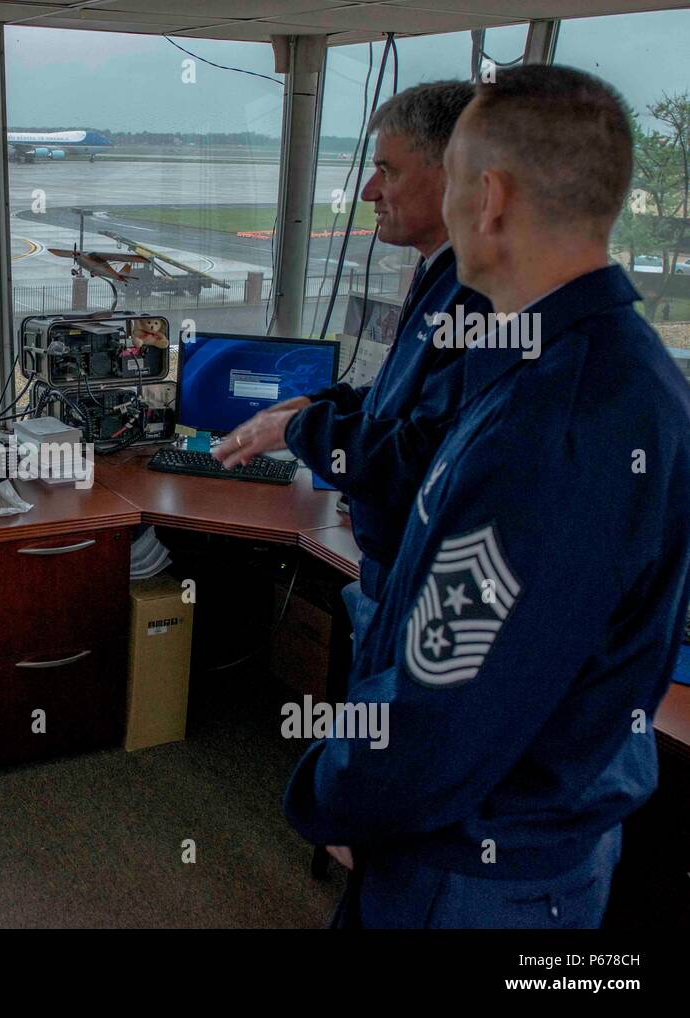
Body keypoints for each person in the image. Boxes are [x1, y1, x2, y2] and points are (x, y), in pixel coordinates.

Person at [282, 65, 690, 928]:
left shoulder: (554, 429)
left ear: (490, 198)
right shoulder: (608, 369)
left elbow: (445, 707)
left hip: (471, 867)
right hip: (527, 838)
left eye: (456, 179)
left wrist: (339, 796)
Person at [216, 81, 491, 643]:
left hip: (432, 594)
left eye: (387, 170)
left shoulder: (482, 294)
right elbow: (397, 398)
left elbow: (419, 459)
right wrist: (316, 406)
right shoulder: (444, 274)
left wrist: (300, 428)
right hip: (401, 575)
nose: (369, 191)